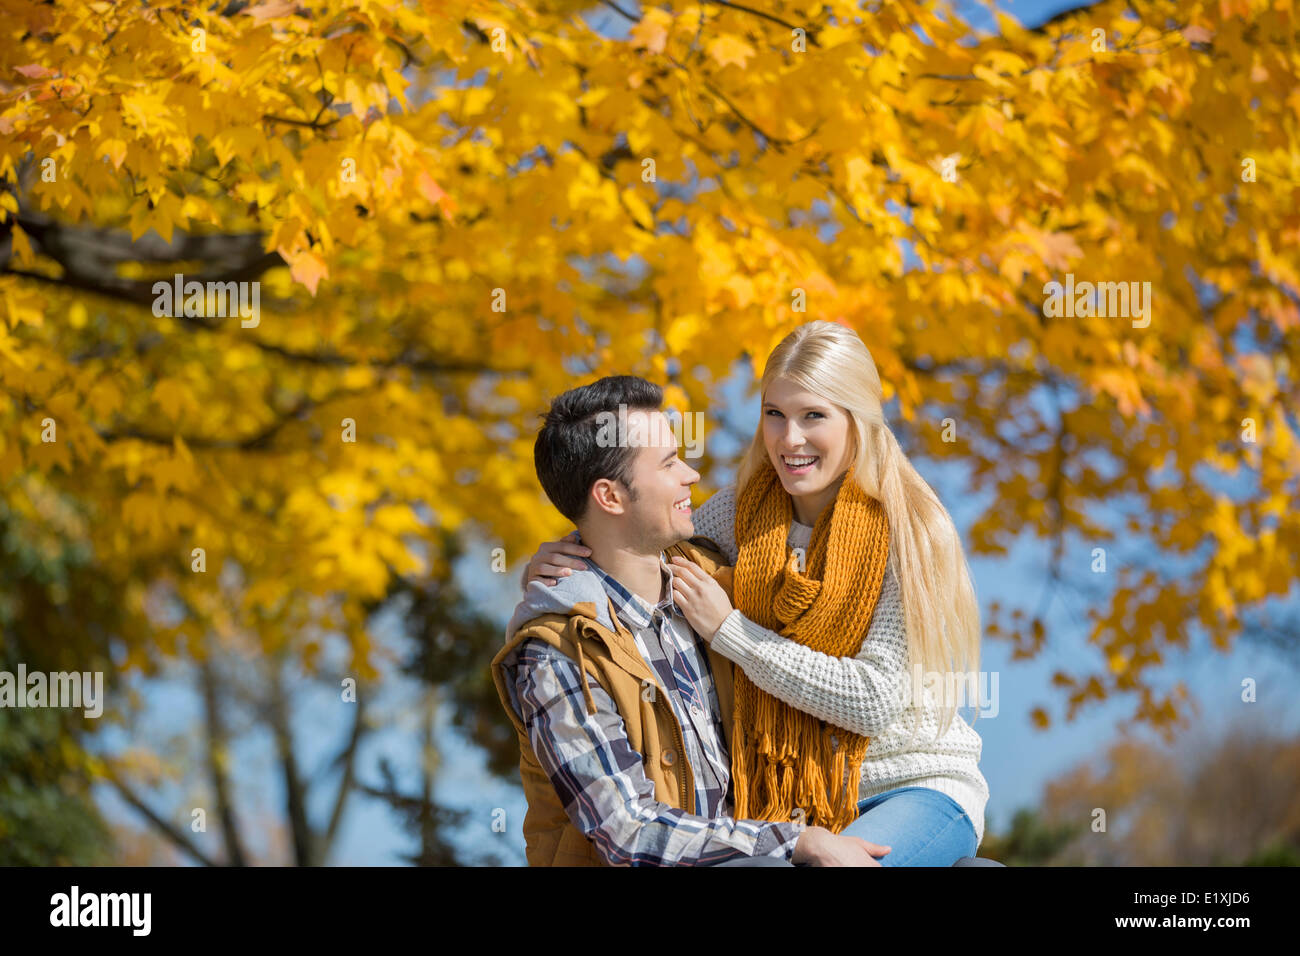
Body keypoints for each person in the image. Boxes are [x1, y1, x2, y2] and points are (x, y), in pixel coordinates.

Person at [522, 321, 991, 866]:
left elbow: (872, 702)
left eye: (814, 415)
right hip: (792, 803)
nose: (790, 439)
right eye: (775, 414)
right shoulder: (739, 513)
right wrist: (559, 560)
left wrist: (731, 634)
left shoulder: (910, 532)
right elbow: (637, 536)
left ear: (856, 420)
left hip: (911, 782)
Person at [491, 373, 892, 865]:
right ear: (610, 497)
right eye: (667, 463)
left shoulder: (709, 581)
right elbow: (628, 830)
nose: (691, 476)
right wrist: (796, 841)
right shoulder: (557, 655)